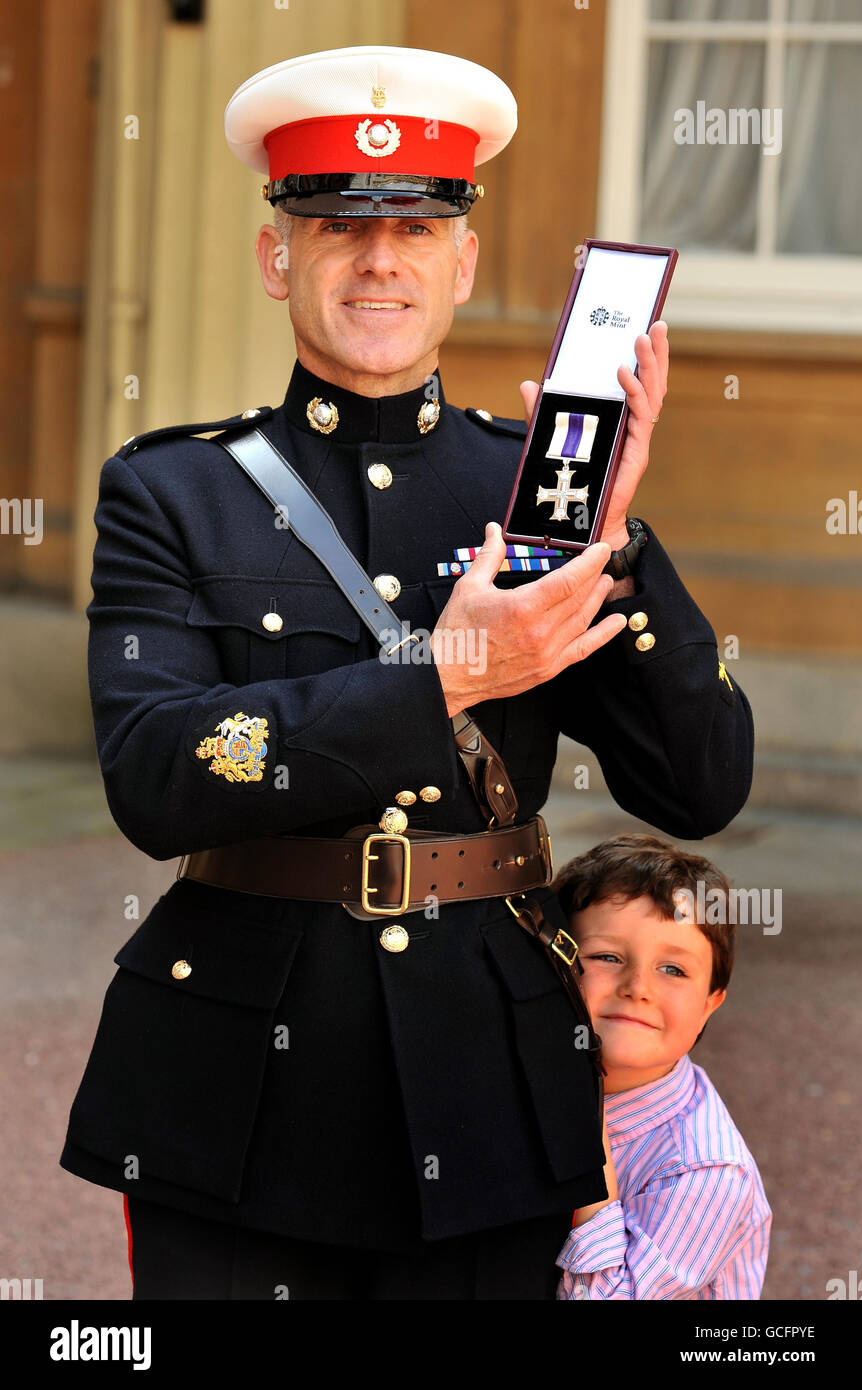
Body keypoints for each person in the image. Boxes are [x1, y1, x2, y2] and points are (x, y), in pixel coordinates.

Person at [59, 45, 754, 1301]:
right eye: (335, 225)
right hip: (238, 1086)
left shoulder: (526, 491)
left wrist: (614, 544)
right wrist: (443, 675)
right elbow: (156, 775)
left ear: (461, 263)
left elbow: (700, 783)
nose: (379, 260)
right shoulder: (172, 491)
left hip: (487, 1072)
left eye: (417, 229)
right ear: (279, 258)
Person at [551, 834, 771, 1300]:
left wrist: (589, 1151)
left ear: (711, 1004)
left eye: (673, 969)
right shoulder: (530, 1077)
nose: (638, 987)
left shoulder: (704, 1171)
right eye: (607, 957)